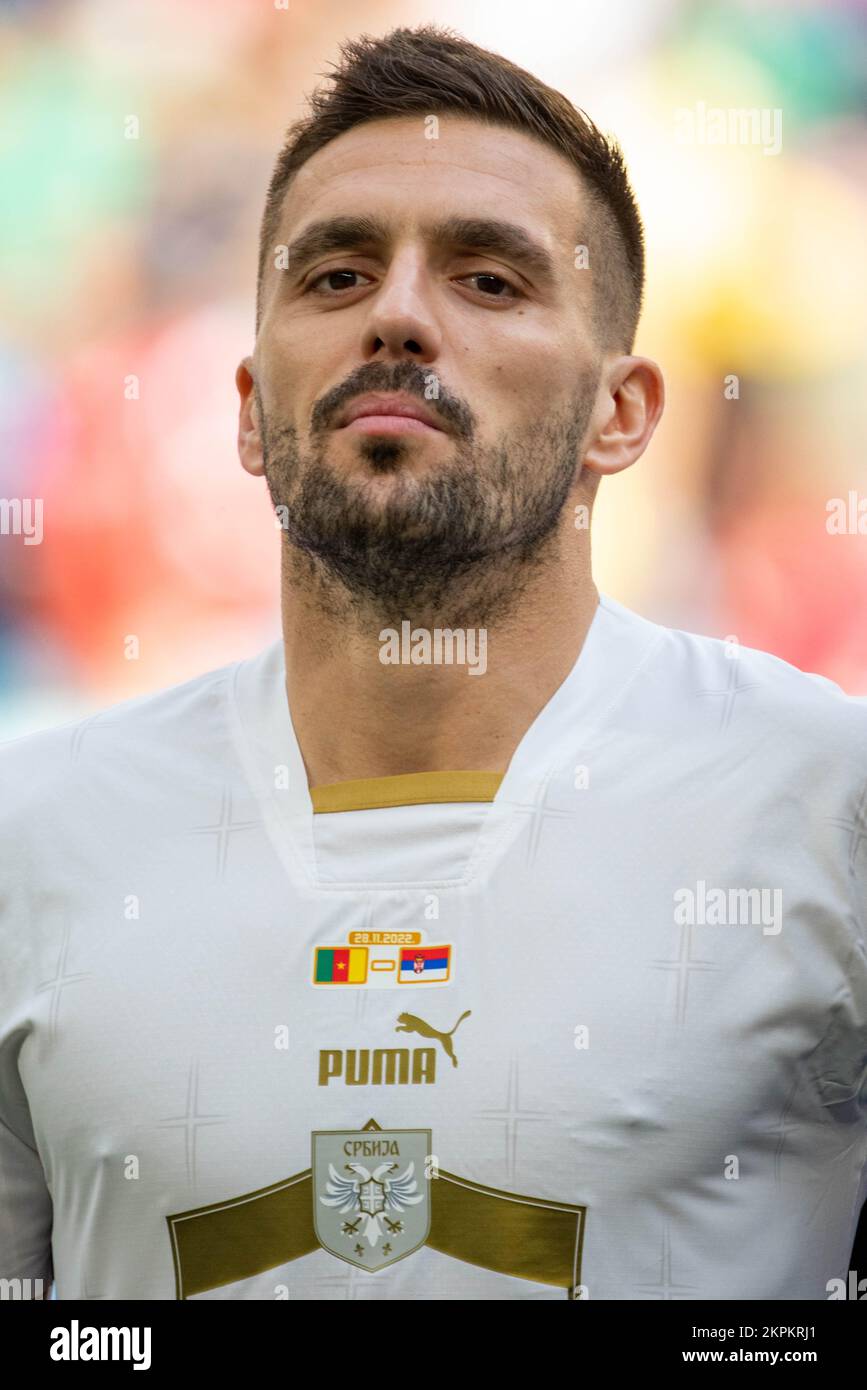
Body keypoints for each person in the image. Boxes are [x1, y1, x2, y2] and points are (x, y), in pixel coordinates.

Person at [1, 24, 865, 1302]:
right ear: (247, 407)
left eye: (491, 280)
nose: (400, 314)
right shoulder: (37, 834)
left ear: (618, 414)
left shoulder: (824, 803)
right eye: (339, 276)